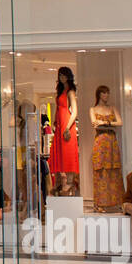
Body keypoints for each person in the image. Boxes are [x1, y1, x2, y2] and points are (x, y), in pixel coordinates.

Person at [49, 67, 80, 196]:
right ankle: (59, 182)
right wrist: (55, 124)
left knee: (68, 154)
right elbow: (58, 109)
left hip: (67, 126)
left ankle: (70, 182)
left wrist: (67, 127)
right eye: (60, 75)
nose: (62, 78)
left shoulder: (70, 92)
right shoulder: (61, 92)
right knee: (58, 154)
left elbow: (75, 111)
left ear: (69, 76)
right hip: (59, 126)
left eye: (64, 75)